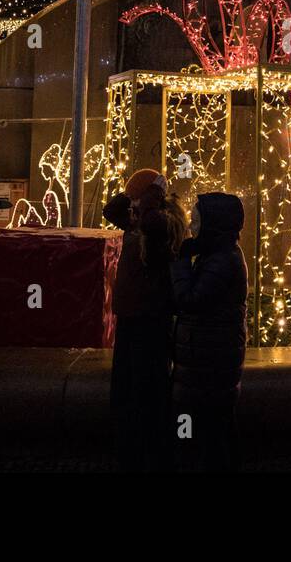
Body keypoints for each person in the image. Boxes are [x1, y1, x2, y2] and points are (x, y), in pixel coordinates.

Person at [108, 168, 187, 472]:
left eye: (142, 199)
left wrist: (151, 193)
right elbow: (111, 209)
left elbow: (153, 224)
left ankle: (151, 452)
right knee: (127, 388)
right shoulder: (137, 221)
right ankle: (132, 448)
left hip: (151, 318)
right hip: (131, 316)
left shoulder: (163, 224)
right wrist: (133, 193)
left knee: (148, 389)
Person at [170, 192, 249, 471]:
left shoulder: (222, 260)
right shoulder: (216, 254)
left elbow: (189, 300)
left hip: (210, 364)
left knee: (208, 435)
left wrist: (180, 264)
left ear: (213, 224)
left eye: (197, 220)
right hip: (207, 361)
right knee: (216, 431)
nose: (192, 227)